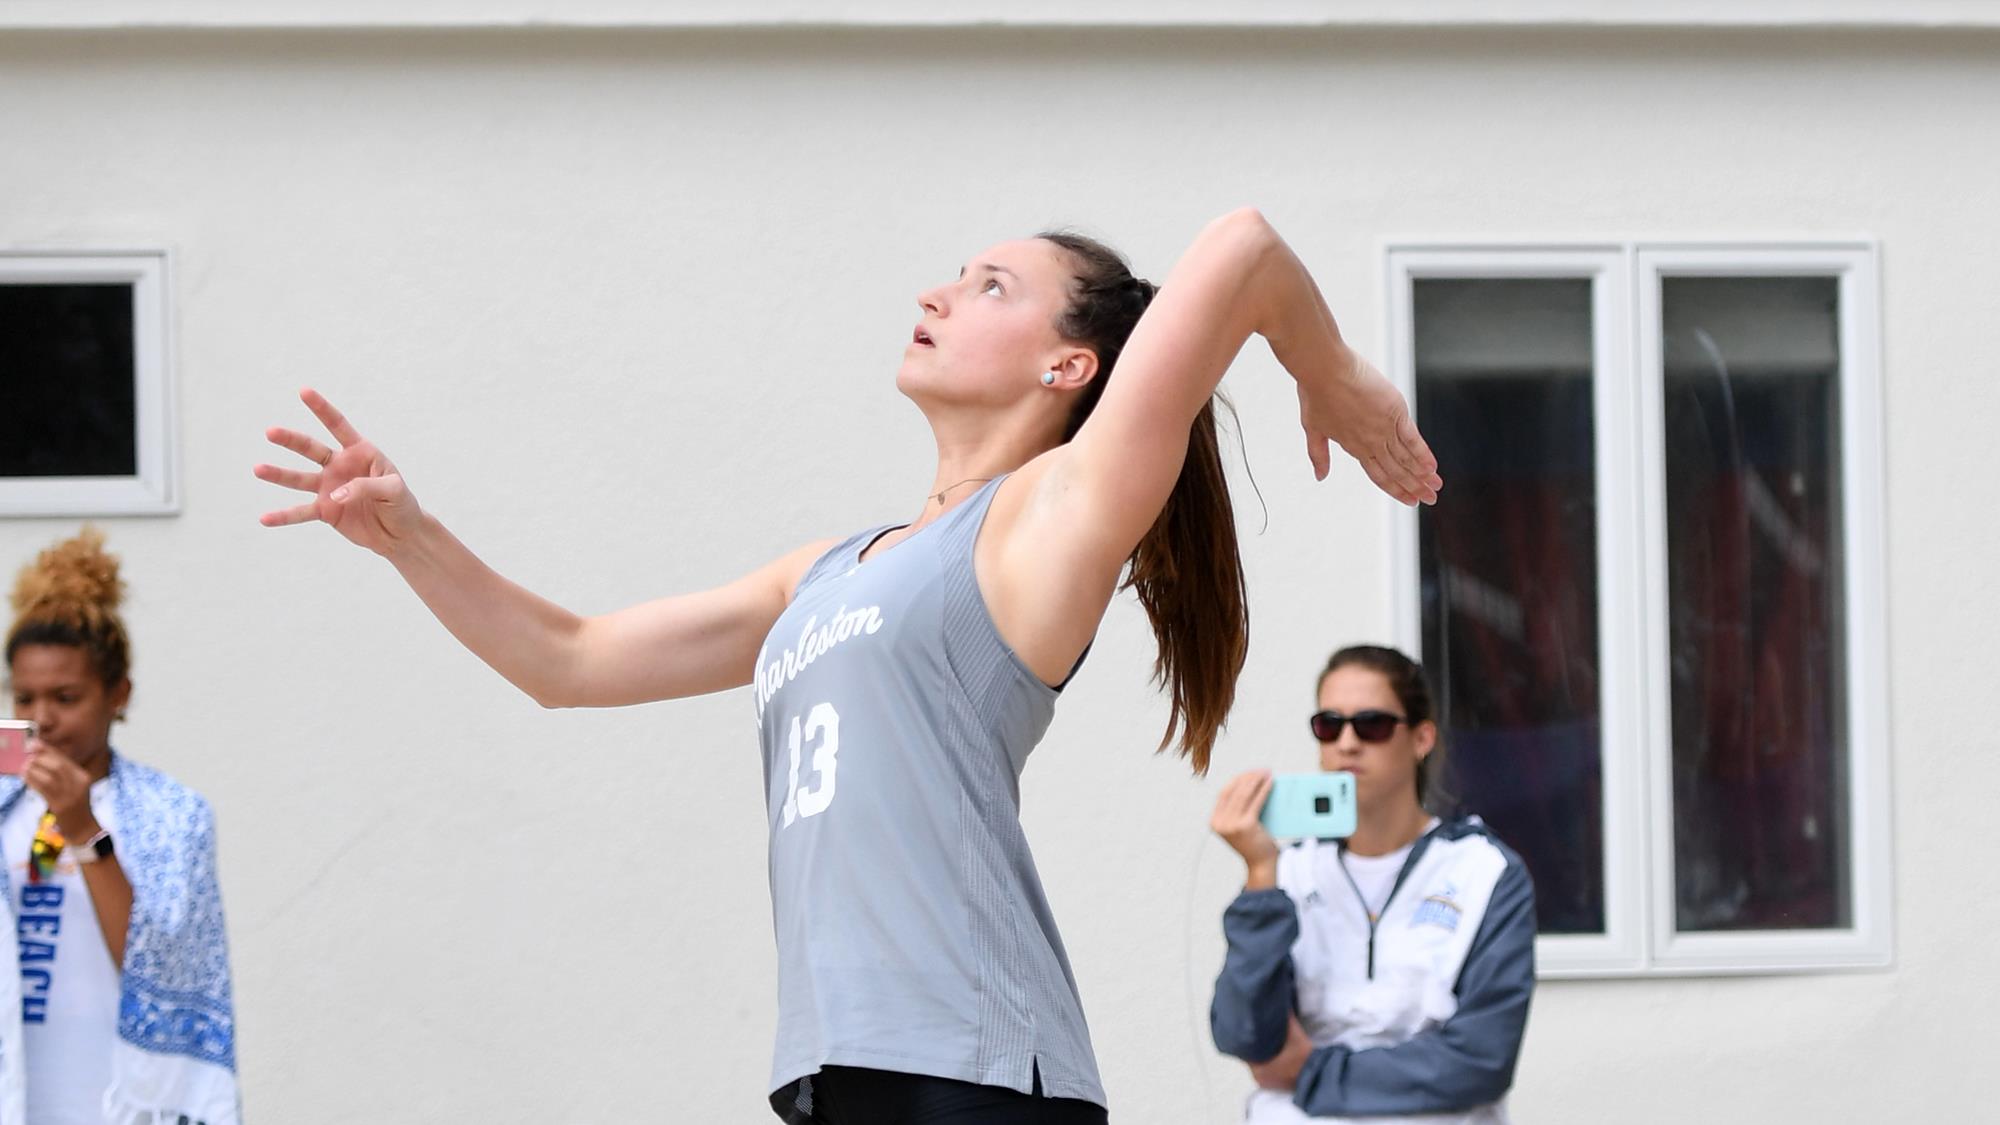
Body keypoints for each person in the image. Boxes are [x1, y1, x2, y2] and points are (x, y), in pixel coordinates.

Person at [254, 208, 1441, 1124]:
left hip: (974, 1068)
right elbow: (565, 660)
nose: (936, 291)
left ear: (1067, 368)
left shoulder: (1048, 518)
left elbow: (1242, 249)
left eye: (990, 287)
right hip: (835, 1064)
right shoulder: (825, 572)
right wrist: (409, 535)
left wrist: (1327, 371)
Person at [1209, 644, 1535, 1124]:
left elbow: (1481, 1061)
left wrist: (1312, 1071)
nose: (1347, 742)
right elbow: (1243, 1034)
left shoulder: (1485, 871)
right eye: (1328, 725)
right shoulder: (1286, 870)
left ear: (1422, 738)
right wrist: (1259, 875)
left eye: (1371, 724)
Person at [1, 529, 240, 1125]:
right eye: (24, 698)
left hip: (114, 1099)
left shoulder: (172, 814)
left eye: (65, 697)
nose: (42, 720)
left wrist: (82, 829)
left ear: (118, 695)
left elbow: (158, 962)